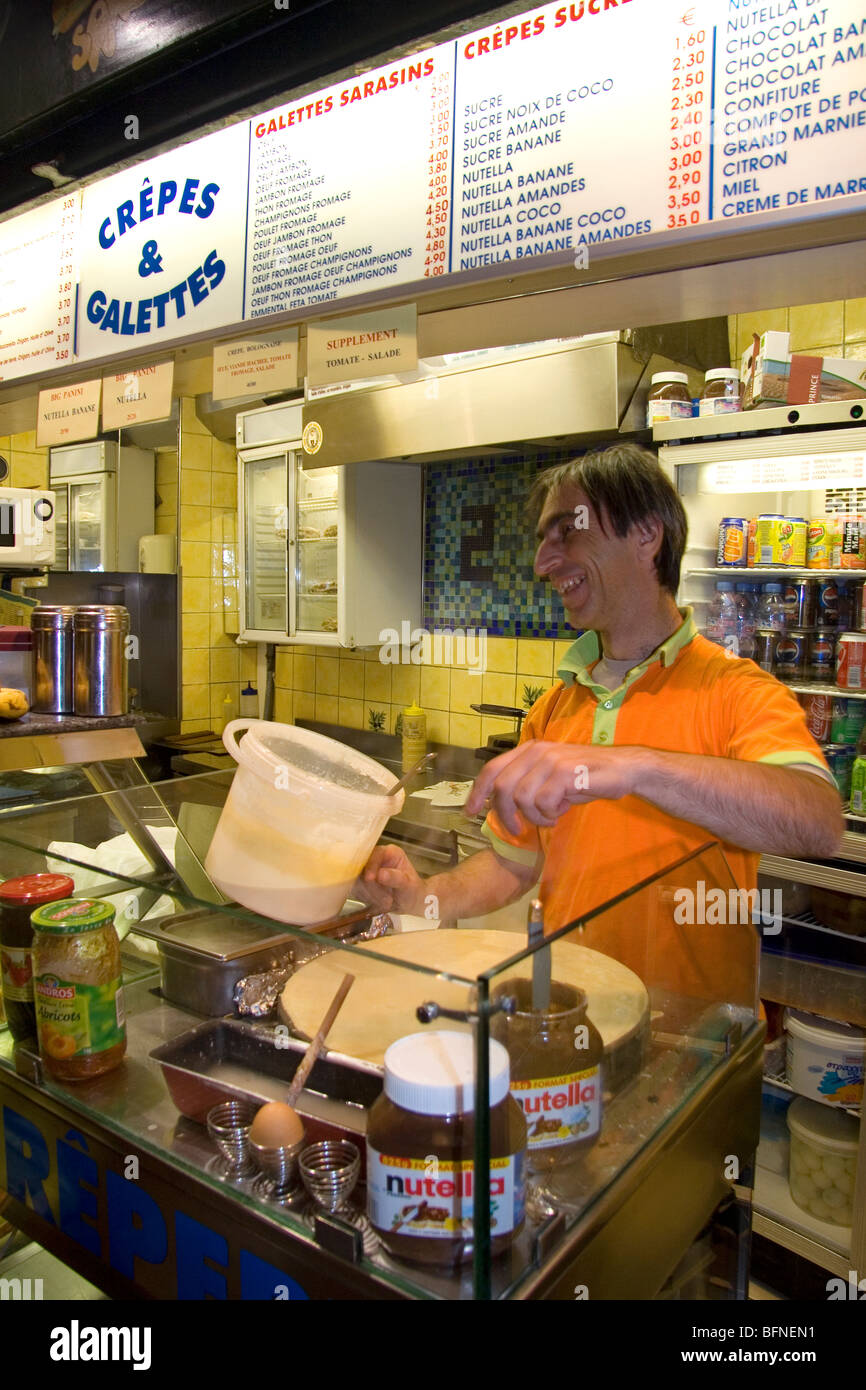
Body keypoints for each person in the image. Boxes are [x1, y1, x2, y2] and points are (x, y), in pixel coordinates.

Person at [358, 443, 842, 991]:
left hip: (689, 1046)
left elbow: (819, 822)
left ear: (645, 534)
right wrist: (428, 896)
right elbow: (514, 862)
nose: (543, 563)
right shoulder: (555, 708)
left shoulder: (736, 690)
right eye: (542, 539)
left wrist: (635, 767)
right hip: (569, 1018)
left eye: (568, 531)